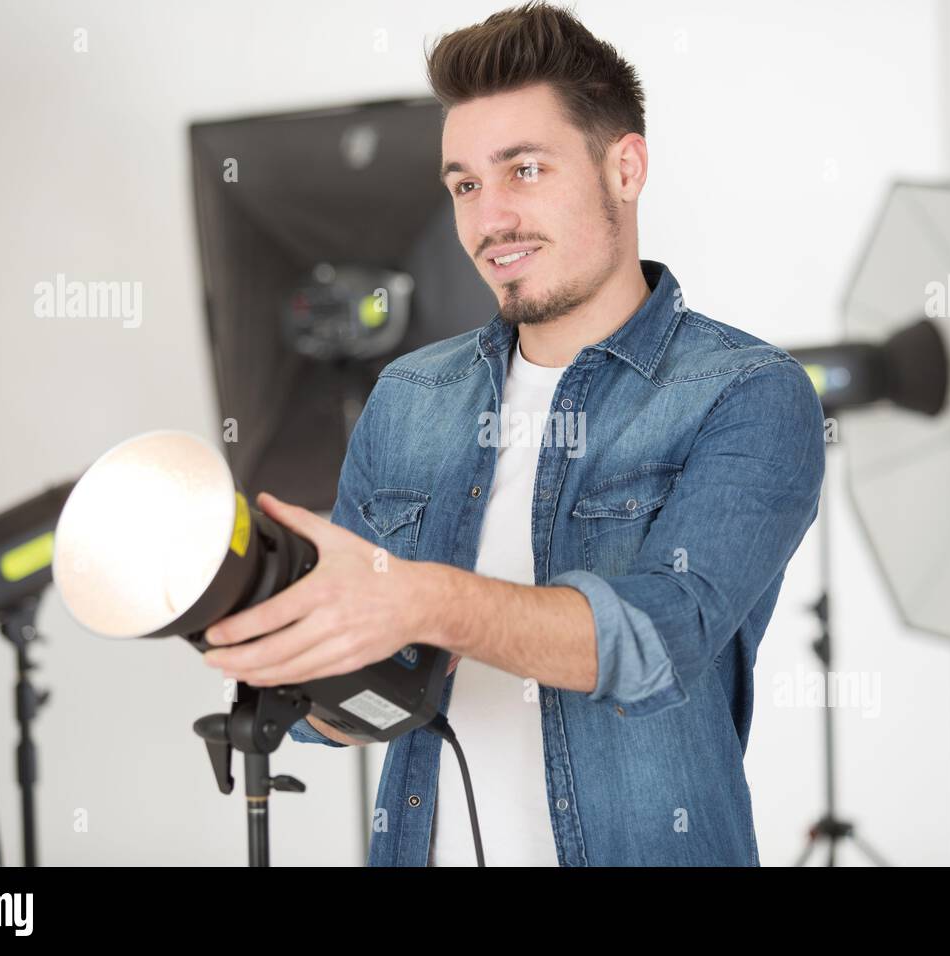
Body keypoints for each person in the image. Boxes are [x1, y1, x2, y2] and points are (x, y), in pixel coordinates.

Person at [202, 0, 824, 867]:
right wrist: (272, 642)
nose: (489, 219)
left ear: (626, 167)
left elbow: (660, 638)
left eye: (524, 170)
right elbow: (353, 707)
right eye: (464, 184)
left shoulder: (747, 394)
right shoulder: (410, 396)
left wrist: (420, 598)